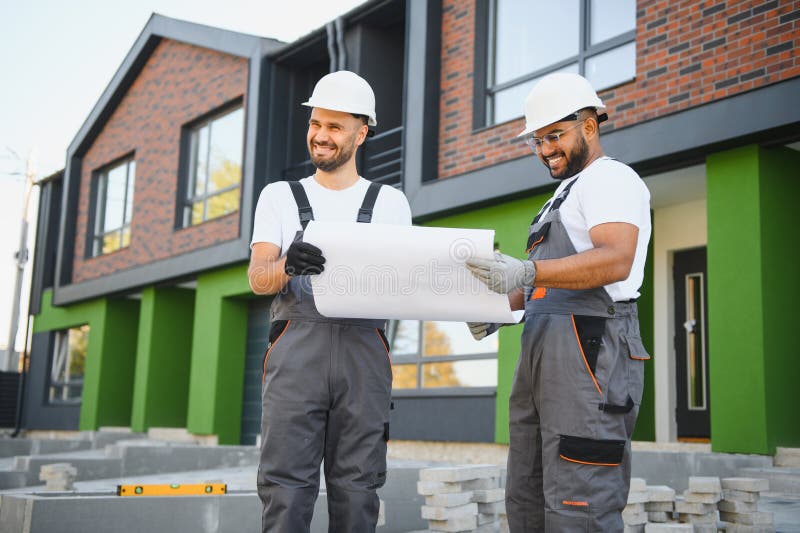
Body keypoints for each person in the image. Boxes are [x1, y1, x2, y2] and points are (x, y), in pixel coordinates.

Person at [466, 72, 652, 532]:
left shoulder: (611, 178)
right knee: (528, 492)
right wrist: (498, 310)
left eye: (555, 135)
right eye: (537, 139)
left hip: (591, 351)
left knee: (579, 499)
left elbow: (615, 260)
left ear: (589, 126)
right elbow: (547, 287)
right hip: (544, 352)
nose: (545, 148)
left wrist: (527, 271)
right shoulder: (560, 197)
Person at [248, 70, 412, 533]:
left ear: (362, 133)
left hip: (364, 354)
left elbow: (404, 283)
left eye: (335, 127)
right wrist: (287, 265)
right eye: (315, 124)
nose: (320, 136)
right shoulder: (279, 196)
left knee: (359, 488)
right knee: (285, 487)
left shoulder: (390, 203)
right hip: (296, 350)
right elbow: (259, 279)